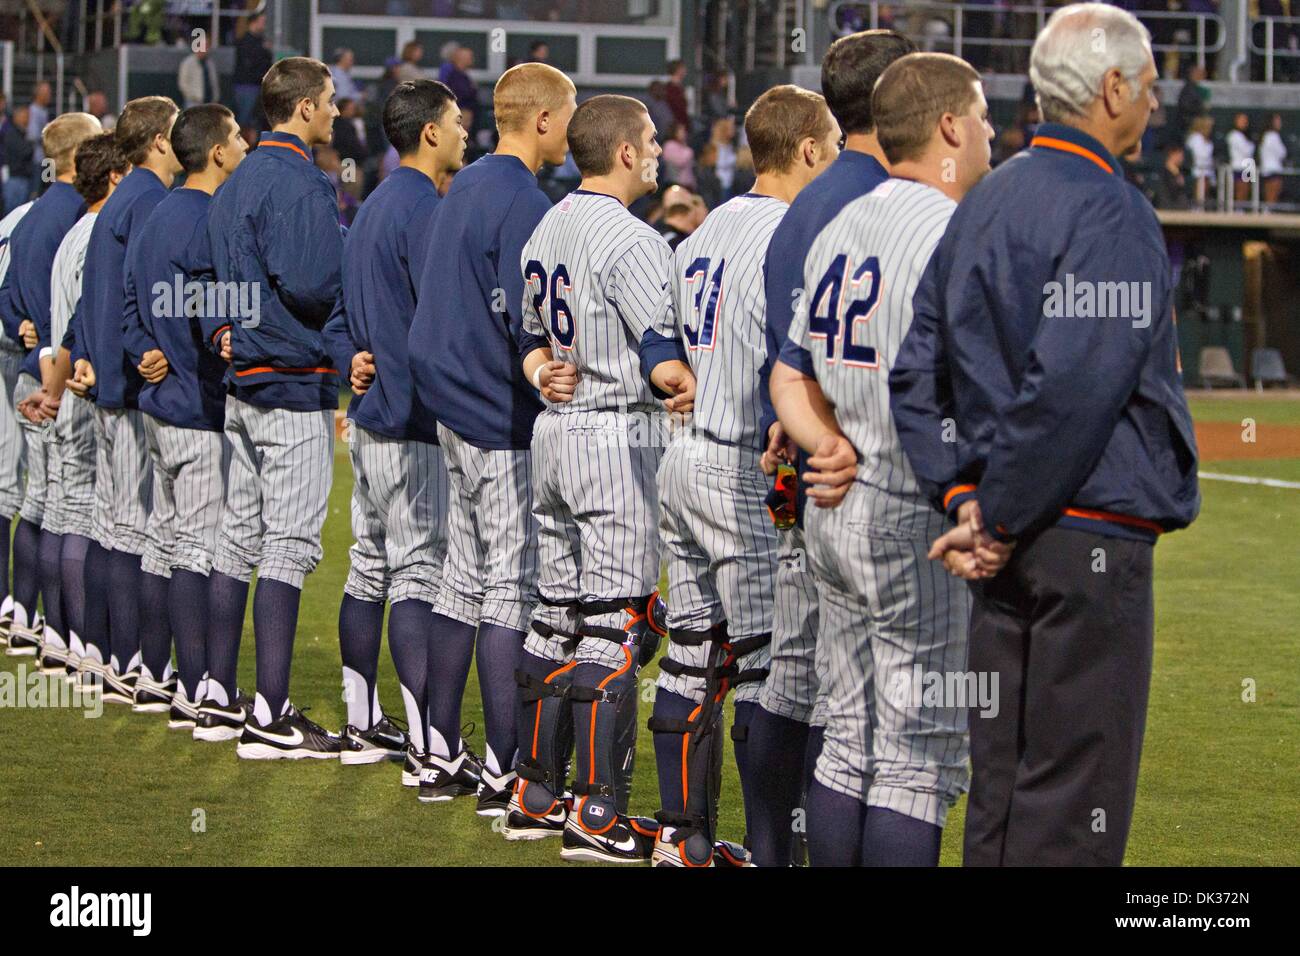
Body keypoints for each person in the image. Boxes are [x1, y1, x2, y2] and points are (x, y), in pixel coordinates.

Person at [889, 3, 1200, 866]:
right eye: (1147, 81)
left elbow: (916, 376)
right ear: (1111, 89)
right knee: (1072, 797)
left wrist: (962, 497)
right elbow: (1069, 389)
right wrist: (997, 512)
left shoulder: (983, 203)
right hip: (1079, 533)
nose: (1155, 97)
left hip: (1000, 544)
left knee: (1002, 787)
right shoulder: (1114, 211)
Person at [772, 52, 993, 868]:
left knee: (847, 739)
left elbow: (787, 373)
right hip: (912, 505)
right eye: (981, 117)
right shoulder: (953, 230)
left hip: (835, 504)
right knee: (914, 761)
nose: (989, 134)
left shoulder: (842, 223)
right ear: (947, 127)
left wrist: (822, 439)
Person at [650, 84, 839, 869]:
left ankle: (680, 836)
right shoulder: (792, 235)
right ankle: (771, 854)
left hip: (681, 460)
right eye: (829, 144)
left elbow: (658, 339)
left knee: (691, 653)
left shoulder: (704, 229)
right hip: (737, 469)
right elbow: (786, 365)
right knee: (767, 671)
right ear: (804, 149)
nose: (835, 157)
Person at [750, 27, 915, 869]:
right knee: (897, 746)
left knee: (809, 689)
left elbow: (786, 351)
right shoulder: (894, 199)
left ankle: (775, 848)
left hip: (804, 457)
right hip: (877, 471)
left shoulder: (807, 199)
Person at [505, 93, 686, 861]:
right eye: (649, 142)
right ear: (621, 152)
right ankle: (600, 813)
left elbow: (530, 340)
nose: (658, 152)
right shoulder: (636, 240)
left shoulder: (545, 226)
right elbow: (662, 361)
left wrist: (545, 370)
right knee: (618, 625)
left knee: (554, 617)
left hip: (554, 439)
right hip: (616, 437)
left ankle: (536, 792)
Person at [407, 62, 576, 814]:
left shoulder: (465, 183)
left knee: (462, 580)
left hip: (449, 406)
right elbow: (524, 321)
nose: (571, 130)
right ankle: (503, 767)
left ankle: (439, 749)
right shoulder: (518, 197)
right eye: (567, 115)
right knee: (508, 588)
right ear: (542, 120)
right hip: (496, 416)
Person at [319, 79, 467, 779]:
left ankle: (359, 721)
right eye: (458, 121)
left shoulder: (372, 204)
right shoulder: (426, 209)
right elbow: (441, 324)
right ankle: (425, 741)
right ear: (430, 132)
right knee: (417, 569)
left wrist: (351, 357)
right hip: (413, 419)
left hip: (372, 417)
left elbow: (342, 315)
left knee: (371, 564)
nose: (467, 132)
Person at [200, 57, 345, 757]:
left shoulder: (232, 183)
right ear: (306, 108)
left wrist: (226, 329)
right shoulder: (301, 179)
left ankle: (219, 696)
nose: (337, 113)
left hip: (243, 381)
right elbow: (314, 282)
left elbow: (210, 283)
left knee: (237, 537)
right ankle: (271, 711)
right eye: (331, 102)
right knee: (287, 543)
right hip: (291, 375)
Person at [119, 104, 249, 724]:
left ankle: (154, 673)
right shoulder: (205, 218)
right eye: (238, 138)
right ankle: (200, 690)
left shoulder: (155, 212)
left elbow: (126, 301)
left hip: (156, 406)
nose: (245, 145)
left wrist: (144, 347)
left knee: (160, 542)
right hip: (196, 404)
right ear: (217, 153)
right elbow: (211, 321)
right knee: (197, 546)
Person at [75, 97, 179, 706]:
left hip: (110, 381)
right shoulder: (148, 200)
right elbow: (144, 296)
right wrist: (148, 353)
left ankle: (112, 654)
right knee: (141, 530)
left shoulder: (120, 200)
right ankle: (141, 660)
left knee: (116, 524)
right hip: (135, 384)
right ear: (161, 141)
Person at [0, 112, 102, 661]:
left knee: (38, 501)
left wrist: (23, 324)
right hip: (56, 378)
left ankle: (23, 612)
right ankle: (67, 634)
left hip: (30, 369)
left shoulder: (30, 215)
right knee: (65, 507)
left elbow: (7, 288)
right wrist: (49, 365)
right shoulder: (74, 216)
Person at [44, 133, 129, 684]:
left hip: (66, 383)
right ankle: (92, 648)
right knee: (97, 522)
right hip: (87, 390)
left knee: (66, 512)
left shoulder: (73, 233)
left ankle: (65, 640)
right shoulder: (102, 233)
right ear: (116, 178)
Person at [233, 13, 274, 135]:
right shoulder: (245, 41)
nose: (264, 25)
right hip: (246, 86)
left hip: (259, 86)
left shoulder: (262, 41)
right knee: (245, 120)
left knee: (257, 121)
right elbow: (250, 64)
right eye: (262, 21)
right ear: (253, 22)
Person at [437, 44, 479, 133]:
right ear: (461, 58)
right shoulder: (452, 75)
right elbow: (458, 93)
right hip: (458, 112)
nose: (472, 59)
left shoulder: (463, 75)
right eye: (469, 57)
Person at [2, 106, 35, 215]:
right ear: (17, 117)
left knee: (20, 214)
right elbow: (25, 151)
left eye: (28, 117)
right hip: (14, 178)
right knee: (11, 213)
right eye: (25, 116)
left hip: (23, 178)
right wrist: (30, 145)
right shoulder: (12, 133)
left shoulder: (23, 133)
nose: (28, 119)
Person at [1185, 113, 1214, 207]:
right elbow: (1201, 154)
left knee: (1206, 193)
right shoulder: (1195, 138)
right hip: (1198, 170)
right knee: (1199, 192)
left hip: (1207, 170)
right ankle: (1197, 208)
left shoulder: (1205, 139)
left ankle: (1202, 207)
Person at [1153, 141, 1191, 209]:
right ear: (1172, 154)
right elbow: (1170, 192)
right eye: (1180, 154)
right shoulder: (1163, 174)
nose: (1182, 158)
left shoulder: (1179, 172)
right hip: (1169, 209)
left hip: (1182, 209)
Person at [1227, 112, 1255, 203]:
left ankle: (1241, 208)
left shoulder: (1246, 136)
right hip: (1238, 167)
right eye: (1242, 120)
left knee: (1246, 189)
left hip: (1247, 167)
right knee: (1240, 188)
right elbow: (1247, 150)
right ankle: (1238, 209)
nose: (1244, 122)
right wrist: (1251, 146)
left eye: (1245, 120)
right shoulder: (1233, 135)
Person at [1260, 112, 1287, 207]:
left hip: (1270, 168)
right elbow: (1281, 153)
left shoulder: (1268, 136)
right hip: (1272, 169)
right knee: (1271, 195)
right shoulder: (1272, 136)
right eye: (1277, 121)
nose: (1279, 123)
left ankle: (1268, 211)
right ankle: (1268, 212)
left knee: (1272, 195)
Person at [660, 122, 695, 188]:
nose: (684, 133)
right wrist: (688, 151)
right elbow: (680, 162)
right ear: (674, 132)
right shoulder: (669, 145)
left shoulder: (683, 146)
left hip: (687, 183)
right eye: (681, 130)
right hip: (675, 182)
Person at [664, 59, 690, 133]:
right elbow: (677, 108)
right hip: (676, 124)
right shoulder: (671, 88)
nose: (685, 70)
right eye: (683, 68)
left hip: (682, 122)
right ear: (678, 70)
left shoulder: (679, 87)